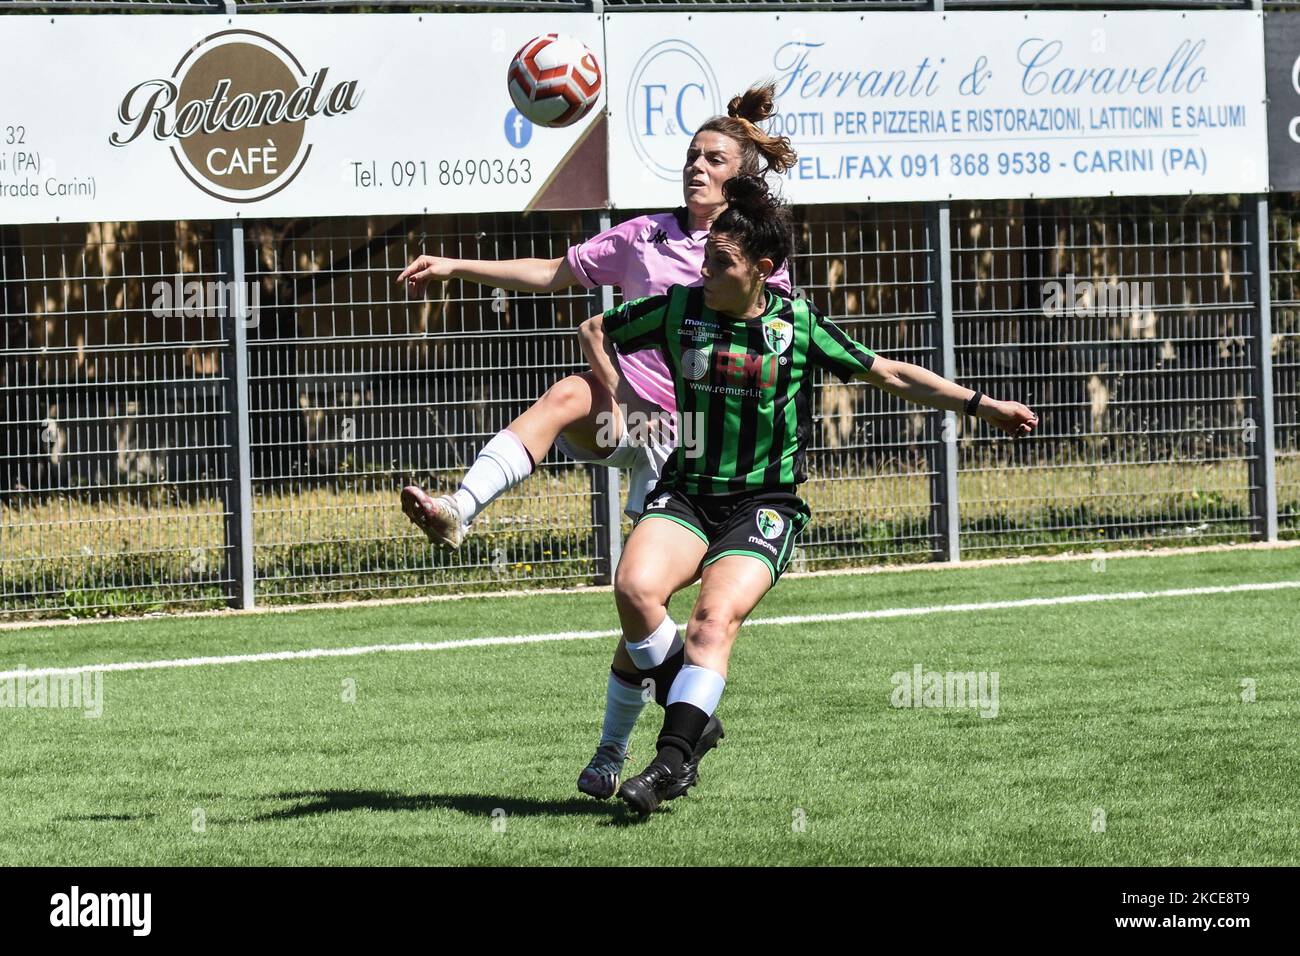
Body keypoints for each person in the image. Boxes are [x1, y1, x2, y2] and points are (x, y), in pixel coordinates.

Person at [577, 174, 1039, 815]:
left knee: (714, 621)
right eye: (705, 256)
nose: (702, 269)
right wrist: (623, 396)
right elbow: (596, 328)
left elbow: (888, 372)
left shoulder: (797, 327)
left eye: (720, 262)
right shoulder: (680, 308)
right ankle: (693, 712)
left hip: (762, 504)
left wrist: (980, 405)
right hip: (688, 493)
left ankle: (670, 762)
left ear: (763, 269)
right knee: (634, 591)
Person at [396, 86, 799, 801]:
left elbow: (776, 354)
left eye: (712, 160)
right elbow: (557, 273)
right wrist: (457, 267)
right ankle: (460, 508)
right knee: (565, 393)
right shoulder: (645, 236)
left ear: (740, 179)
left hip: (697, 449)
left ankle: (615, 751)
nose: (695, 169)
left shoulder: (752, 260)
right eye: (690, 157)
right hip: (630, 422)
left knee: (639, 612)